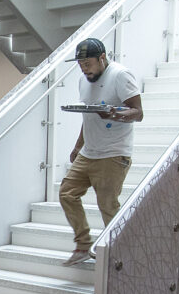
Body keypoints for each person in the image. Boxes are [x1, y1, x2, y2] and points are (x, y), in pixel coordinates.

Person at [58, 38, 143, 266]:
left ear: (102, 58)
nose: (84, 68)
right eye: (81, 64)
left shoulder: (120, 75)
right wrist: (78, 146)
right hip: (89, 151)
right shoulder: (83, 81)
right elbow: (88, 118)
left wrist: (114, 114)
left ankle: (120, 251)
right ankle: (83, 245)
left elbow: (138, 112)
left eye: (88, 63)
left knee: (107, 203)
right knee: (67, 193)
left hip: (114, 153)